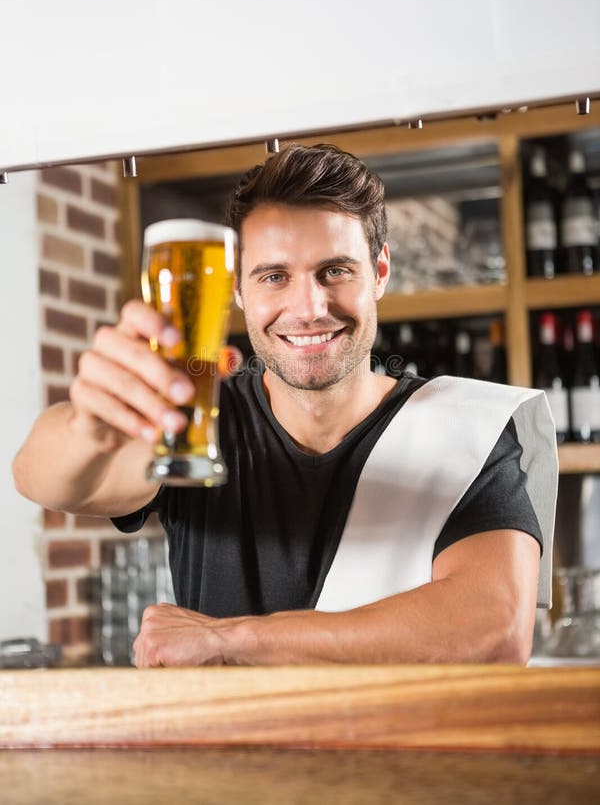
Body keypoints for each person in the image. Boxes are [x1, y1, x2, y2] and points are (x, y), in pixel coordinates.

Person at [12, 143, 557, 668]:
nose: (309, 307)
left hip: (397, 763)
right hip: (230, 764)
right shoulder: (199, 422)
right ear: (239, 290)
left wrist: (230, 639)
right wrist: (92, 425)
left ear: (380, 273)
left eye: (335, 271)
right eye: (275, 277)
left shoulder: (467, 429)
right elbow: (46, 480)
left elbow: (494, 630)